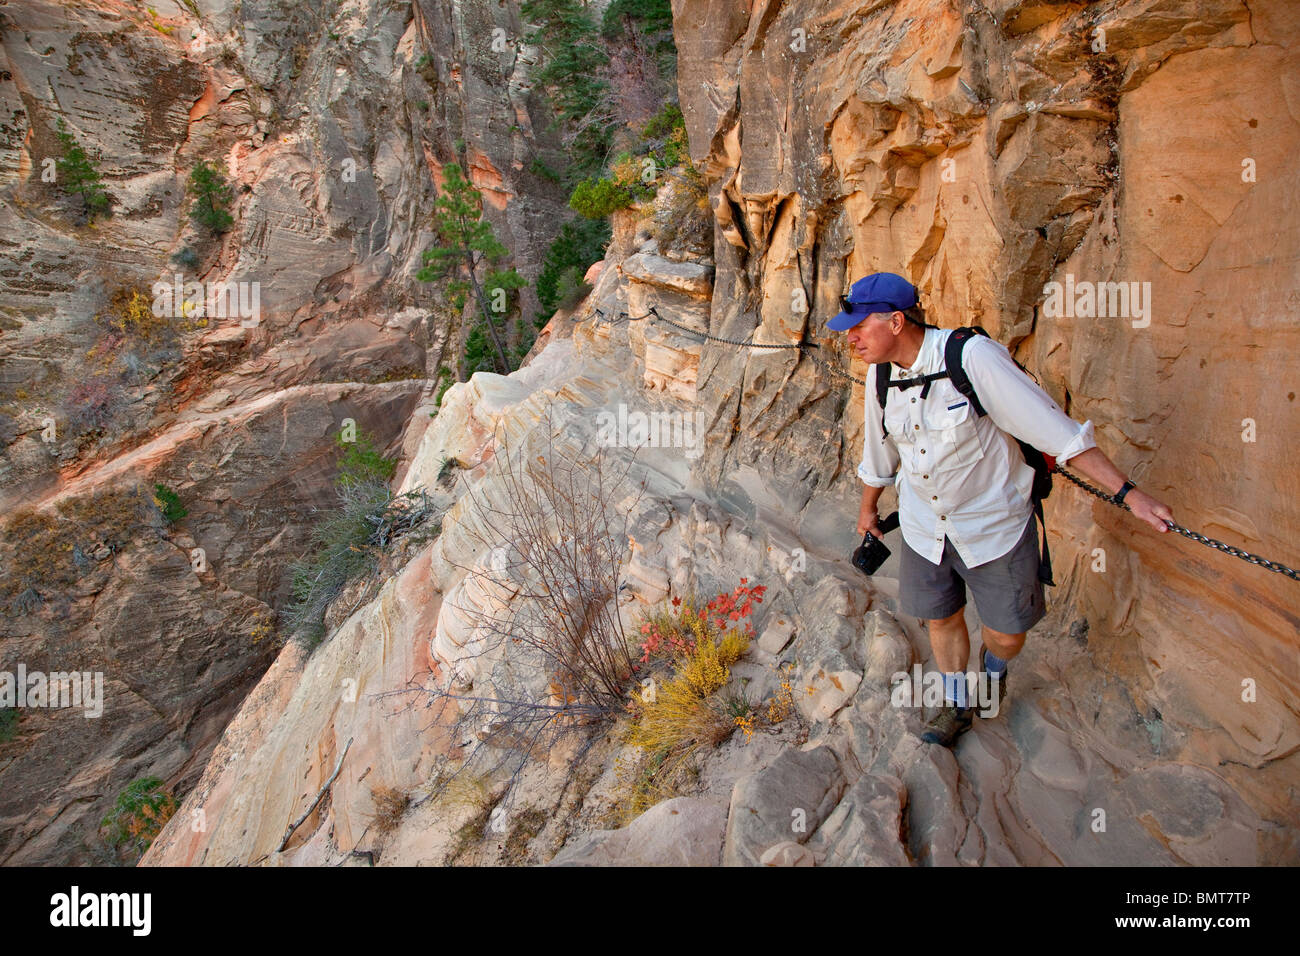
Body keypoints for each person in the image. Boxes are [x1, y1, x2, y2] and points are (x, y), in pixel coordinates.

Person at [829, 272, 1175, 747]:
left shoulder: (971, 358)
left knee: (1007, 634)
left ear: (894, 321)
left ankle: (994, 671)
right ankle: (957, 704)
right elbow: (880, 453)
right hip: (923, 526)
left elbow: (1056, 431)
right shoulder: (882, 375)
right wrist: (869, 510)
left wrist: (1129, 493)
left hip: (994, 527)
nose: (850, 338)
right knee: (941, 619)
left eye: (858, 326)